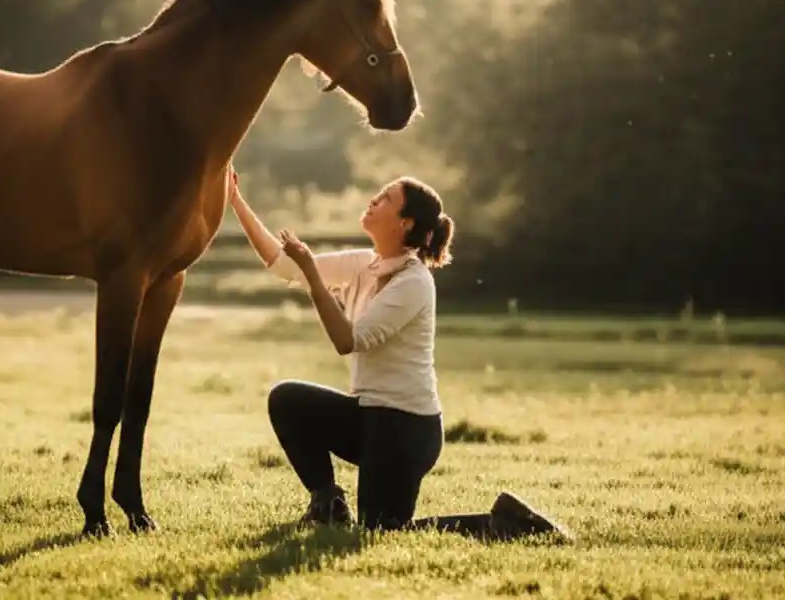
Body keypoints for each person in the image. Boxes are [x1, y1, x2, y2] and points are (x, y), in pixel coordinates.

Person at [229, 167, 569, 540]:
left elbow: (347, 340)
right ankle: (327, 505)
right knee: (287, 400)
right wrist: (235, 200)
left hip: (406, 428)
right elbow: (284, 266)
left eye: (385, 199)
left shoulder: (414, 283)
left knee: (382, 530)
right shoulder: (365, 264)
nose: (374, 200)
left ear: (404, 223)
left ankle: (507, 523)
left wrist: (312, 274)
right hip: (368, 416)